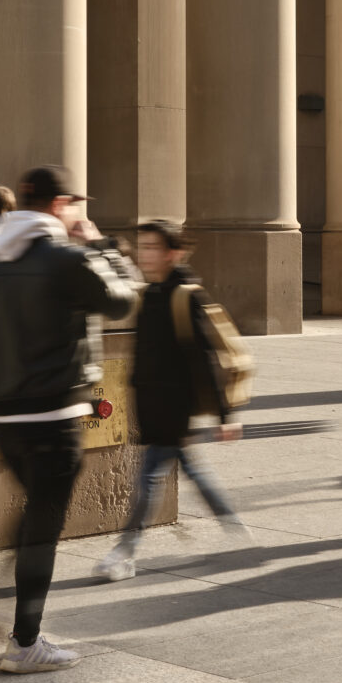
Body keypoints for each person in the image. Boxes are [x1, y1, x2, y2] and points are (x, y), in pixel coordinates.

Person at [0, 164, 141, 671]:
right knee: (44, 522)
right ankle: (24, 640)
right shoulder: (63, 257)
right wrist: (100, 246)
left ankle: (11, 609)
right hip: (55, 411)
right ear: (59, 205)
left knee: (36, 512)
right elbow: (121, 300)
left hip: (6, 412)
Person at [93, 222, 249, 580]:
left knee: (147, 481)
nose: (145, 254)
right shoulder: (152, 292)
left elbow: (206, 356)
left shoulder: (185, 295)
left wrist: (226, 415)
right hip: (152, 403)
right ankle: (236, 530)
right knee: (193, 469)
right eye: (143, 247)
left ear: (173, 253)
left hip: (173, 406)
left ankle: (123, 553)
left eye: (153, 247)